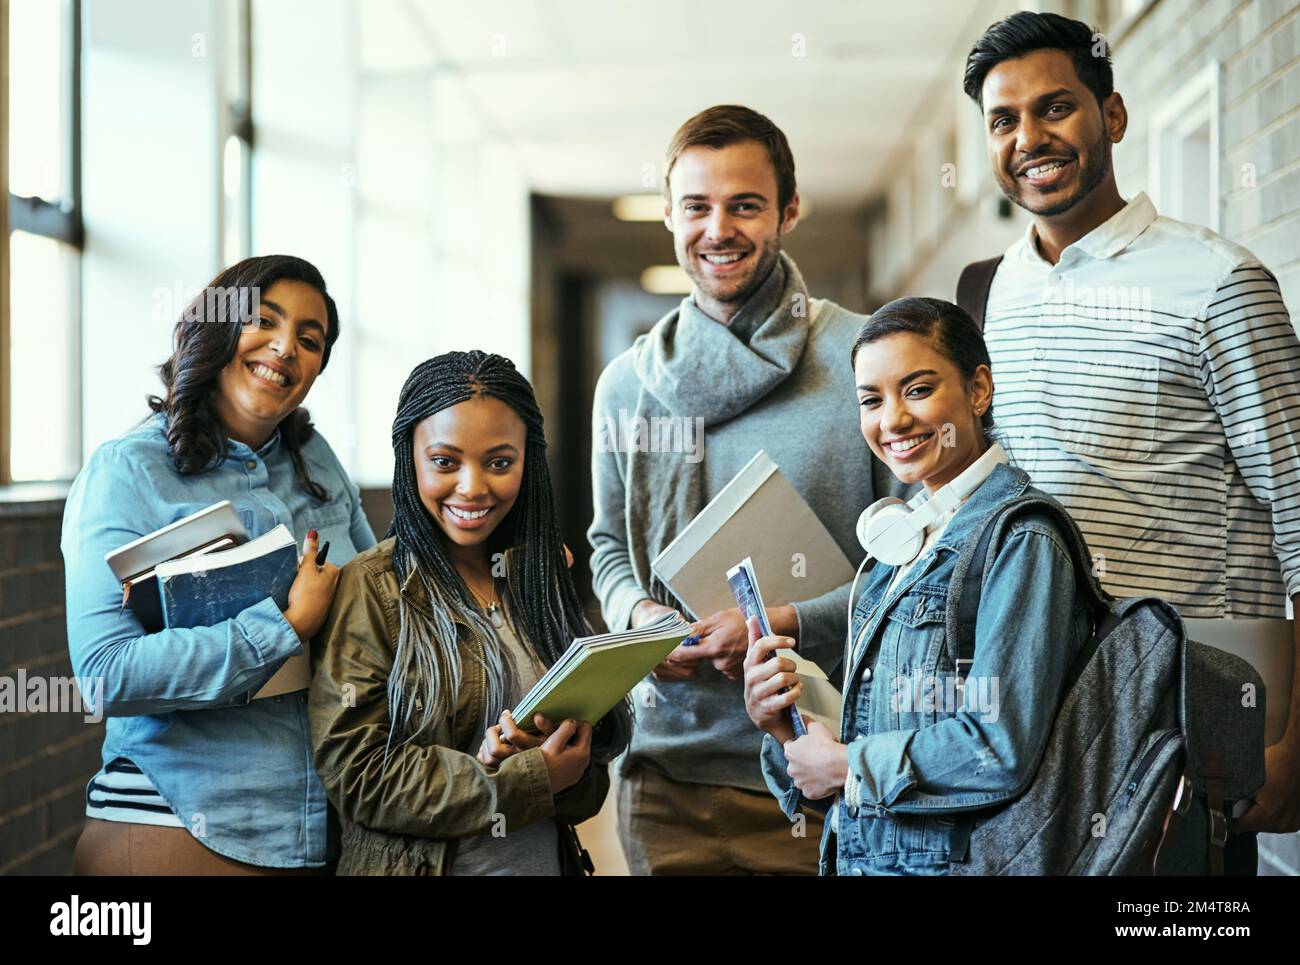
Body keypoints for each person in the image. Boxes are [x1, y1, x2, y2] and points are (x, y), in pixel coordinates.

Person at [960, 11, 1300, 866]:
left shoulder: (1220, 283)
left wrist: (1296, 749)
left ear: (1111, 116)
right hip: (1041, 727)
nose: (1029, 138)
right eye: (1004, 120)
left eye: (1056, 108)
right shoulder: (991, 295)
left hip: (1196, 734)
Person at [588, 104, 898, 874]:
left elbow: (910, 568)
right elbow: (606, 549)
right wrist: (642, 617)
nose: (717, 228)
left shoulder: (864, 358)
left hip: (818, 760)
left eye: (745, 204)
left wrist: (783, 620)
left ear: (789, 210)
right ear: (669, 215)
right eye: (696, 205)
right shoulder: (628, 386)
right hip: (665, 773)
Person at [746, 296, 1092, 875]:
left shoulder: (1022, 538)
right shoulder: (899, 543)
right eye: (871, 400)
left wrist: (849, 766)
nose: (892, 421)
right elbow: (847, 759)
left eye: (918, 389)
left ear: (979, 390)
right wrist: (786, 725)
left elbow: (999, 746)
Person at [63, 254, 374, 874]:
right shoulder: (128, 471)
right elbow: (103, 676)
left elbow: (377, 600)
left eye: (309, 341)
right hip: (173, 825)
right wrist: (282, 627)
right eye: (265, 321)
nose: (286, 348)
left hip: (320, 830)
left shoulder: (316, 461)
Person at [311, 351, 630, 875]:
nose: (473, 487)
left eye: (500, 462)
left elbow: (587, 786)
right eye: (444, 462)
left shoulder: (538, 578)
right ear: (408, 457)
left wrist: (555, 765)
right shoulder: (374, 587)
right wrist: (517, 778)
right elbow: (359, 778)